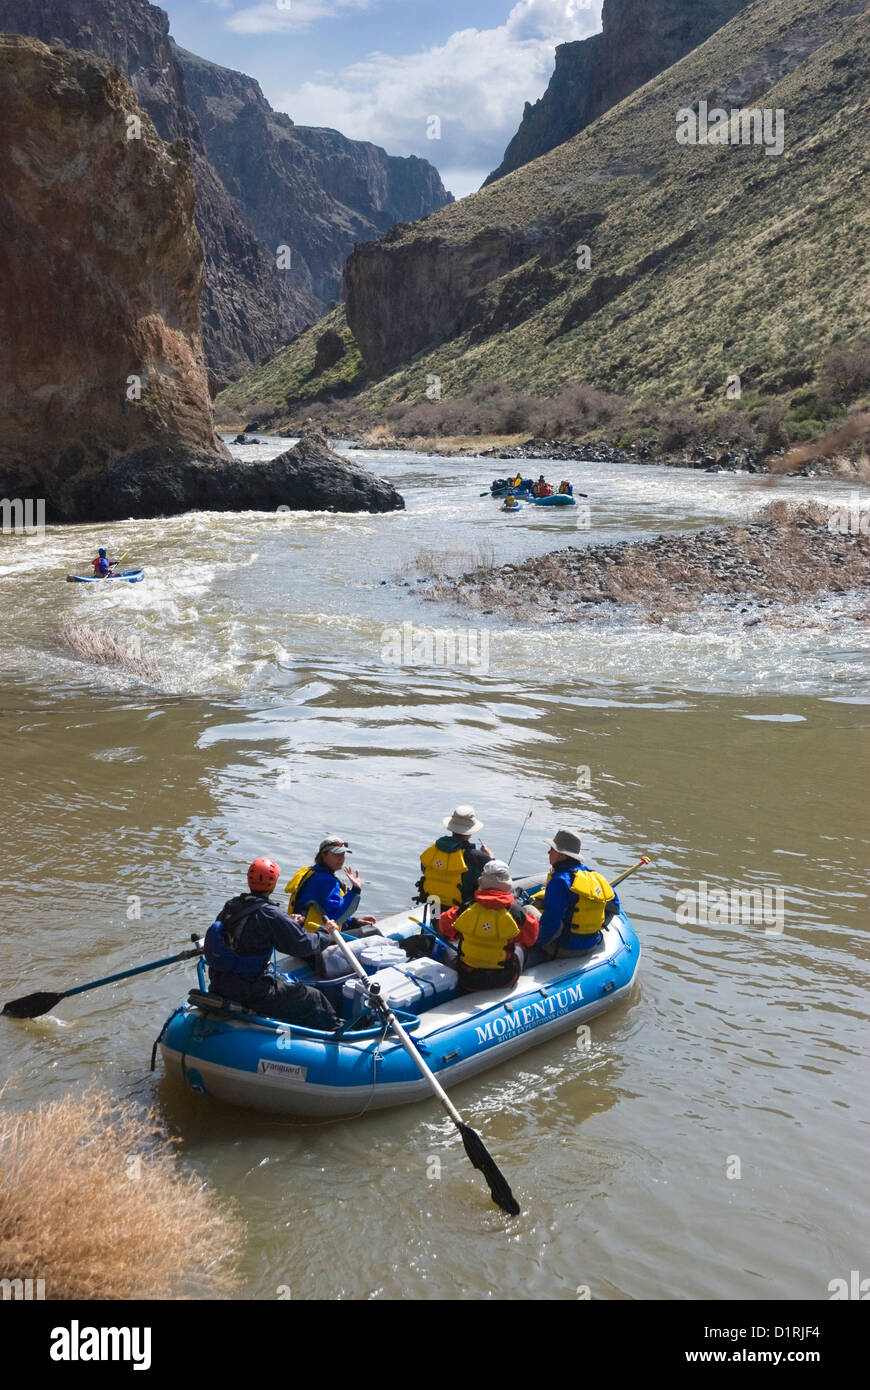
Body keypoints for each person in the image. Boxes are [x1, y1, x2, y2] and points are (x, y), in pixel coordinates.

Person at [204, 857, 342, 1029]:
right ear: (273, 884)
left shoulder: (231, 906)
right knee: (313, 997)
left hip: (220, 983)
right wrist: (325, 933)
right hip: (251, 990)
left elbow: (252, 932)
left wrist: (290, 923)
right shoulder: (271, 914)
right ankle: (336, 1032)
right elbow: (303, 946)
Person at [439, 860, 539, 992]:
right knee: (520, 946)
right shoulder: (516, 912)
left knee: (449, 947)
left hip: (468, 978)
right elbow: (531, 939)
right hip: (504, 979)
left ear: (482, 882)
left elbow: (444, 926)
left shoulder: (467, 908)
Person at [532, 828, 620, 958]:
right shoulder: (596, 877)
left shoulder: (559, 881)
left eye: (552, 849)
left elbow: (552, 924)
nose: (548, 851)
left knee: (528, 909)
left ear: (562, 855)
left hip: (564, 948)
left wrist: (535, 944)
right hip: (592, 944)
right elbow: (614, 907)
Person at [285, 836, 377, 936]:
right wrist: (356, 890)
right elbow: (336, 919)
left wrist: (353, 922)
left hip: (304, 934)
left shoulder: (314, 873)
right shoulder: (326, 881)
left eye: (343, 854)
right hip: (316, 940)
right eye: (336, 854)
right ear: (323, 855)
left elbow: (326, 911)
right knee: (373, 932)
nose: (341, 858)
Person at [417, 805, 493, 916]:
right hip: (460, 916)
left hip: (435, 910)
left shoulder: (432, 852)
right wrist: (490, 858)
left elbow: (425, 871)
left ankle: (438, 930)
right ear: (470, 831)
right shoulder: (478, 858)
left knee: (438, 924)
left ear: (451, 827)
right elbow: (495, 878)